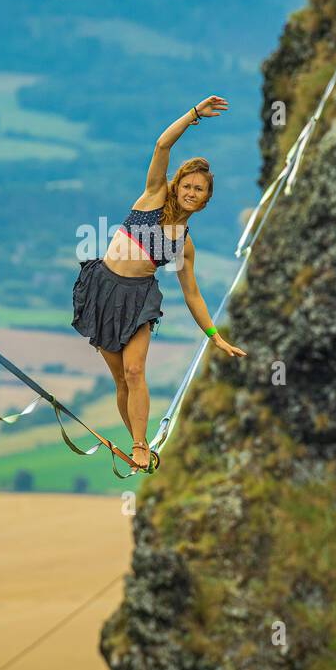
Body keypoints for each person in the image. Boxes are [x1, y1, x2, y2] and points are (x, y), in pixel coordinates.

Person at [70, 95, 248, 473]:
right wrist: (193, 115)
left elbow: (193, 294)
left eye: (199, 190)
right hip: (103, 289)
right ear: (177, 183)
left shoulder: (184, 244)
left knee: (135, 373)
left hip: (139, 300)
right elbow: (162, 144)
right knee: (120, 378)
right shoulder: (153, 196)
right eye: (188, 185)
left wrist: (214, 335)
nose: (191, 192)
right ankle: (134, 440)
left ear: (205, 201)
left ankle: (139, 445)